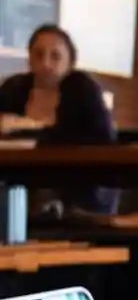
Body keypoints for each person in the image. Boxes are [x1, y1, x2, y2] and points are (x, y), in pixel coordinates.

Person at [0, 25, 116, 215]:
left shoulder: (83, 89)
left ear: (70, 62)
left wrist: (35, 137)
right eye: (38, 55)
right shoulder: (14, 87)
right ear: (29, 59)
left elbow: (103, 139)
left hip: (76, 182)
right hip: (20, 178)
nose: (46, 63)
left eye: (55, 56)